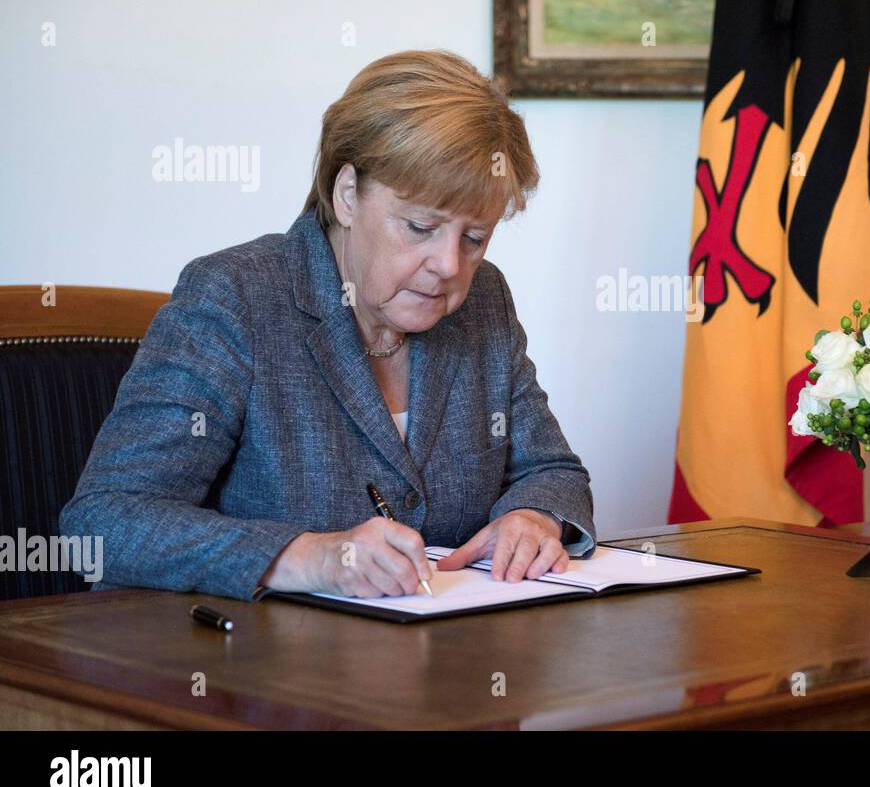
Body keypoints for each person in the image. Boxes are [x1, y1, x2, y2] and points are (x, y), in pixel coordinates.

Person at [61, 49, 596, 601]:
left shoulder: (484, 301)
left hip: (451, 664)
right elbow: (104, 523)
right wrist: (308, 557)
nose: (449, 265)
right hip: (258, 667)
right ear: (346, 195)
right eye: (420, 226)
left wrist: (535, 518)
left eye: (474, 237)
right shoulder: (236, 299)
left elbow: (551, 470)